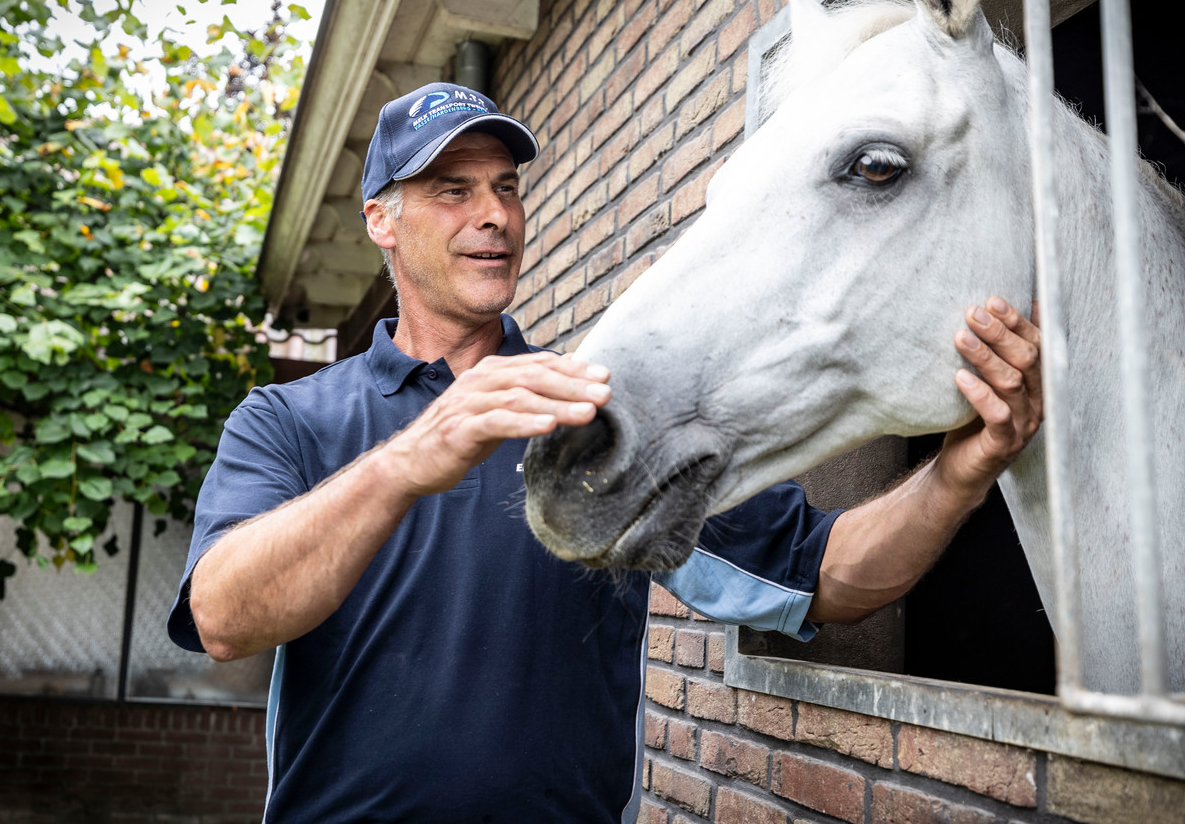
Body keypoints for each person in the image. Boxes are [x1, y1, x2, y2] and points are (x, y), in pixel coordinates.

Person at [168, 83, 1042, 822]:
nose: (493, 216)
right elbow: (224, 618)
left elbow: (828, 577)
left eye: (506, 188)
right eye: (451, 189)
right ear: (380, 222)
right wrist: (407, 459)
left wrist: (964, 470)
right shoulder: (286, 420)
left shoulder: (598, 416)